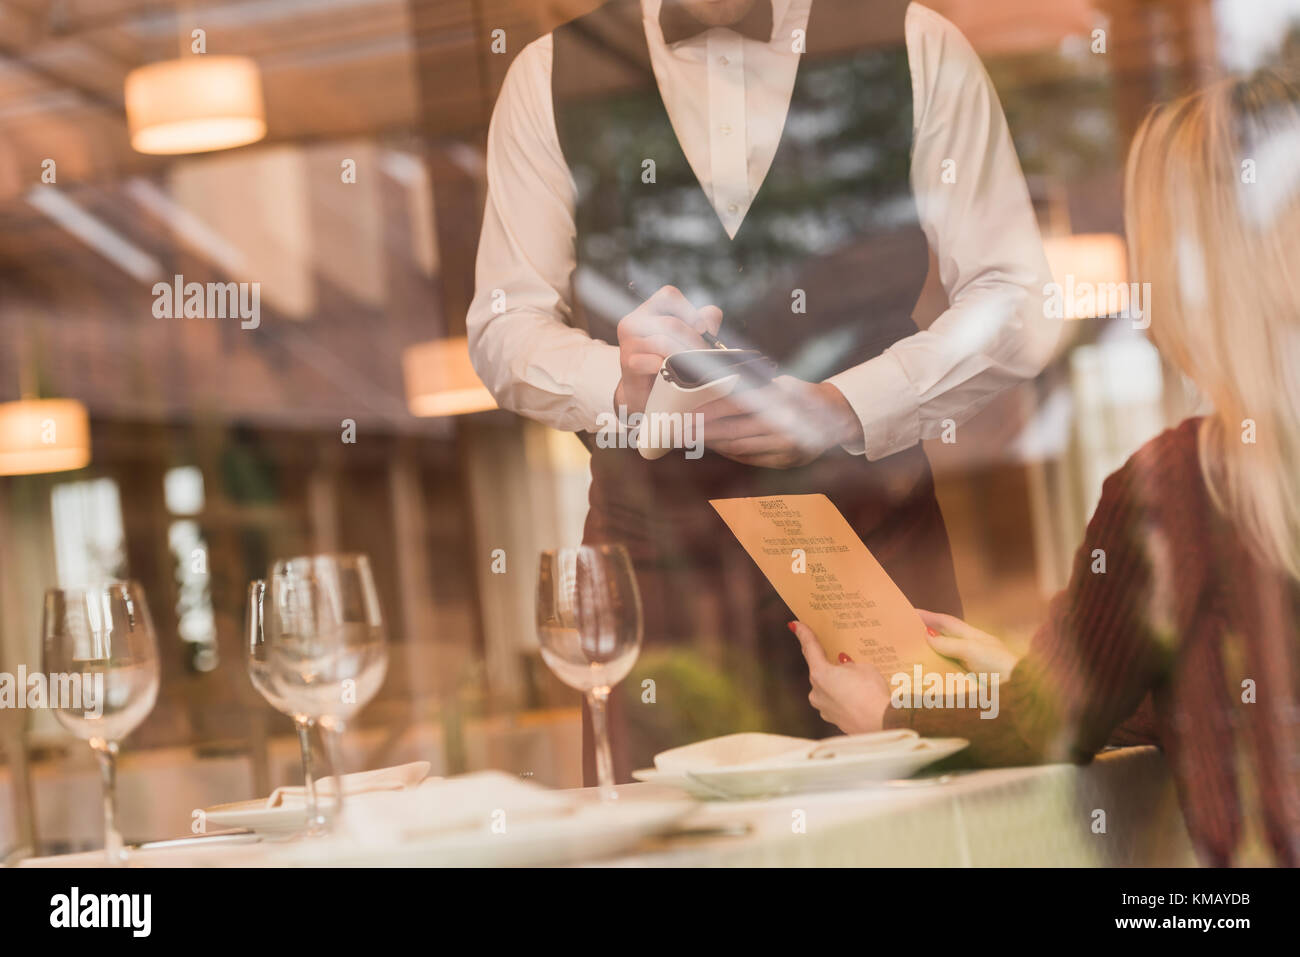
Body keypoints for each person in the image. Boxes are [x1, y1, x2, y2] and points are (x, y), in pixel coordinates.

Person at [468, 0, 1058, 781]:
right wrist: (620, 384)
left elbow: (1016, 300)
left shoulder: (916, 44)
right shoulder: (545, 78)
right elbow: (505, 327)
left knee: (913, 824)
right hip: (657, 561)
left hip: (872, 539)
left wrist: (847, 405)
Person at [791, 70, 1300, 866]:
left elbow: (1044, 726)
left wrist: (890, 706)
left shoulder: (1183, 485)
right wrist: (1033, 670)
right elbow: (1213, 699)